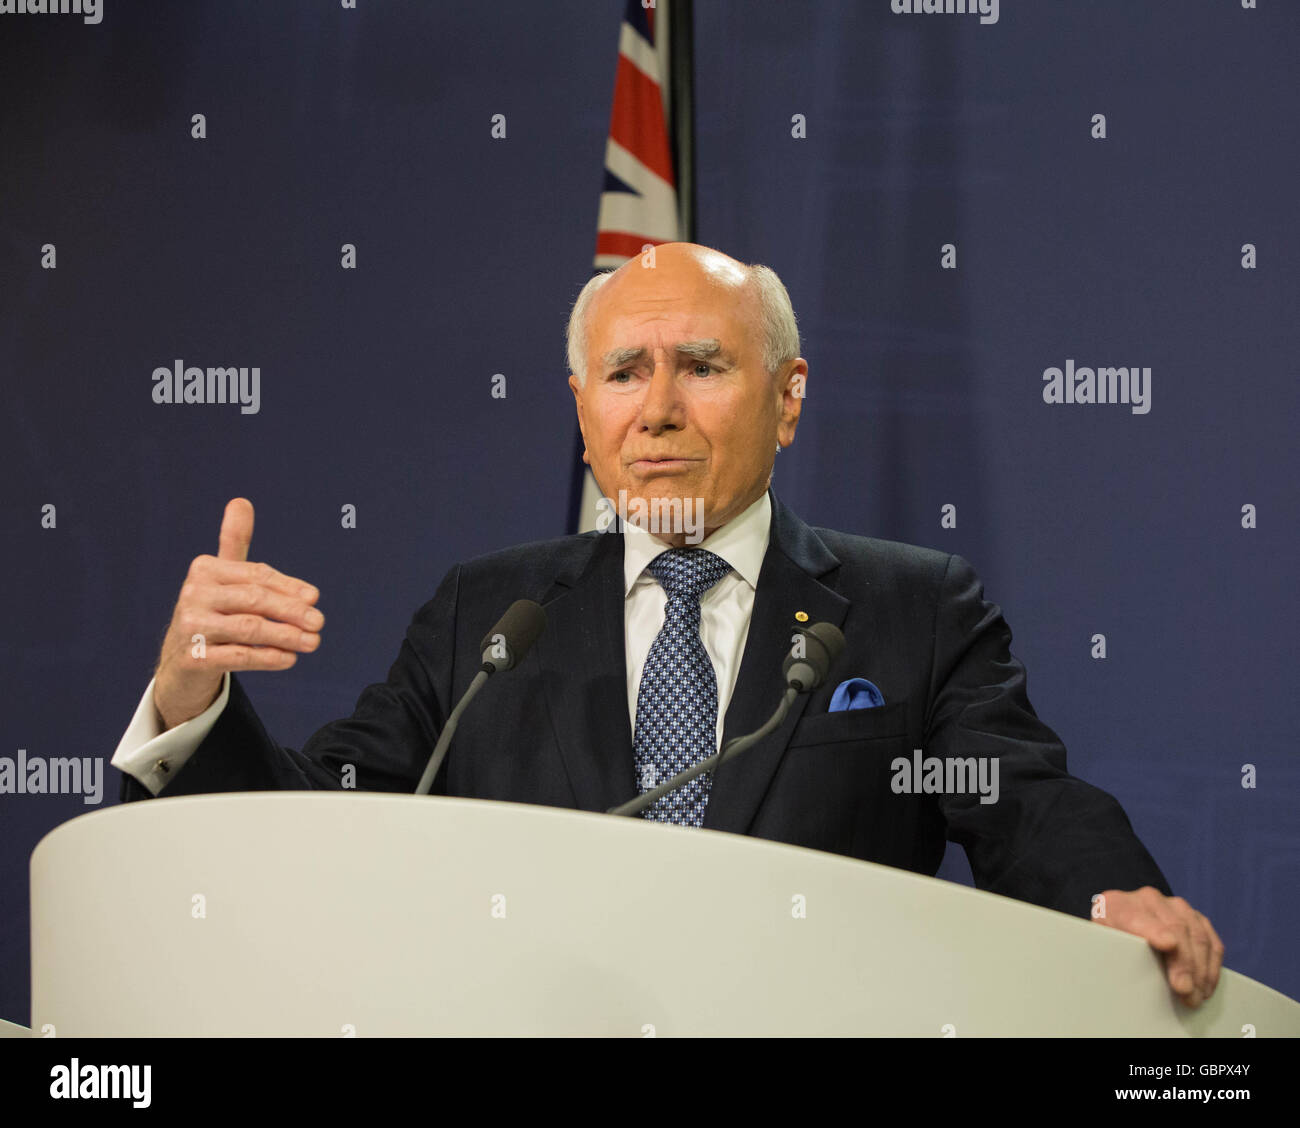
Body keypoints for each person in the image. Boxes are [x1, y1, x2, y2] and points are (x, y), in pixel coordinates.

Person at [112, 242, 1224, 1008]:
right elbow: (325, 827)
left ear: (787, 397)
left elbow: (1024, 802)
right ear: (581, 411)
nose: (657, 410)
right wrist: (191, 703)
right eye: (623, 373)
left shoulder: (909, 606)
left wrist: (1108, 899)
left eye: (701, 366)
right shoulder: (489, 614)